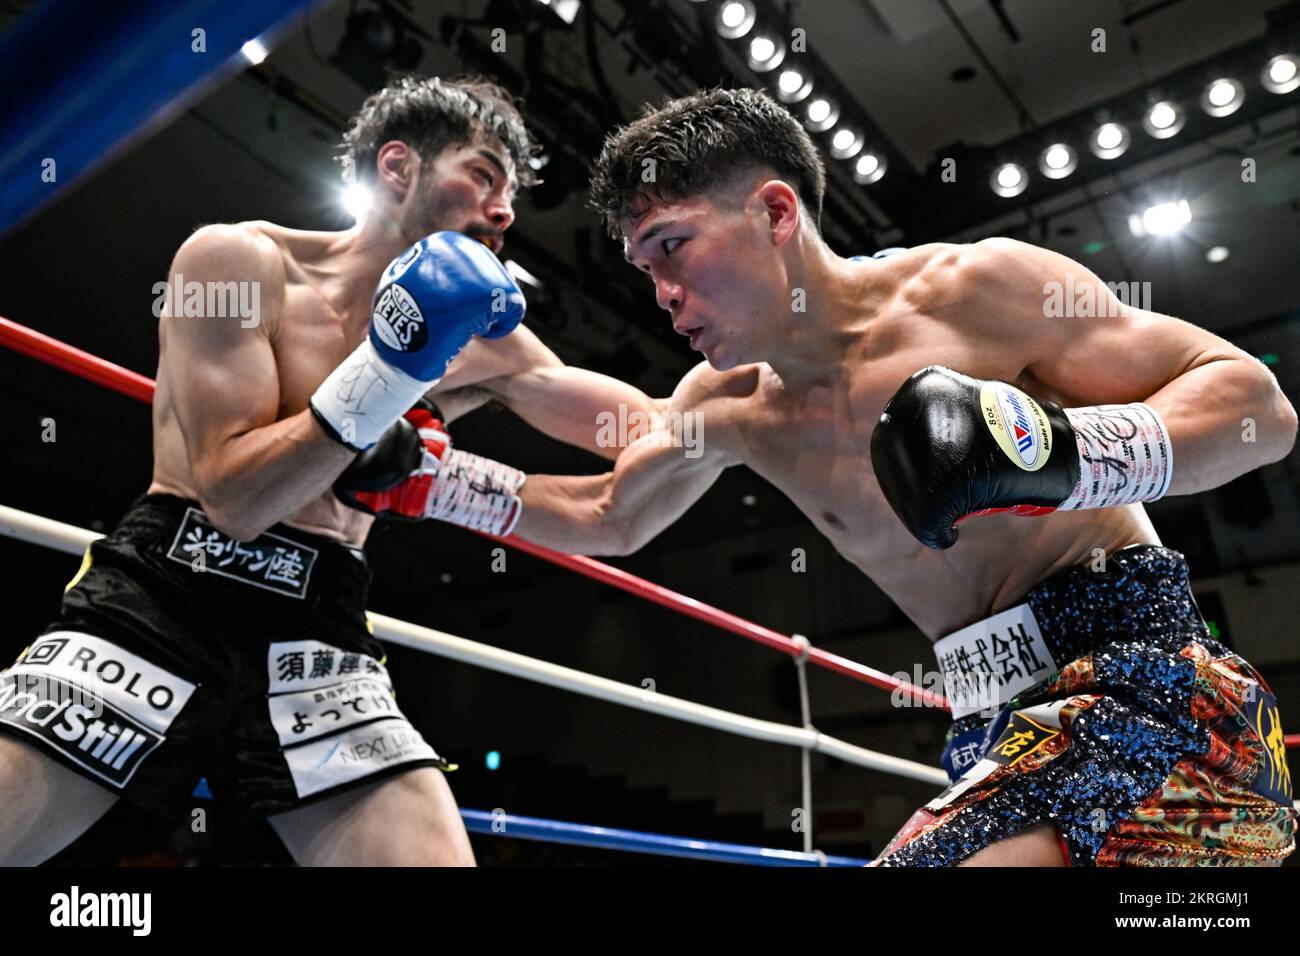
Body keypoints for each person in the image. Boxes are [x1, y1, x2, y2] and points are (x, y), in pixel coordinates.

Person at [401, 87, 1296, 865]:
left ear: (776, 212)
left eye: (672, 245)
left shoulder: (973, 294)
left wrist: (1052, 452)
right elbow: (610, 512)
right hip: (991, 730)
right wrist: (434, 482)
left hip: (1147, 688)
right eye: (643, 269)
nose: (660, 292)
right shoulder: (729, 404)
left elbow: (1256, 409)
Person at [0, 75, 658, 866]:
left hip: (317, 624)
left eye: (510, 193)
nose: (505, 210)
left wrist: (771, 372)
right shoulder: (238, 261)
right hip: (165, 593)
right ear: (397, 167)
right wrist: (386, 371)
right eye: (483, 175)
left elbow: (647, 430)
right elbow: (233, 499)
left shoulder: (481, 340)